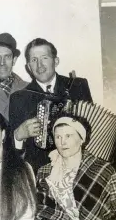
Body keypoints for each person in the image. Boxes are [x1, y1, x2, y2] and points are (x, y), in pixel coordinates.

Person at [34, 114, 116, 220]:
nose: (62, 142)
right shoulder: (45, 172)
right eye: (57, 137)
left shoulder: (104, 170)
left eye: (68, 136)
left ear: (82, 139)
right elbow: (42, 217)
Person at [9, 38, 92, 172]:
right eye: (34, 60)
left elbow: (93, 129)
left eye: (44, 58)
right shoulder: (19, 98)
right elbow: (12, 153)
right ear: (28, 67)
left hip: (79, 169)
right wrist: (18, 135)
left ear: (56, 61)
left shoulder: (77, 86)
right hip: (41, 173)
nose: (39, 65)